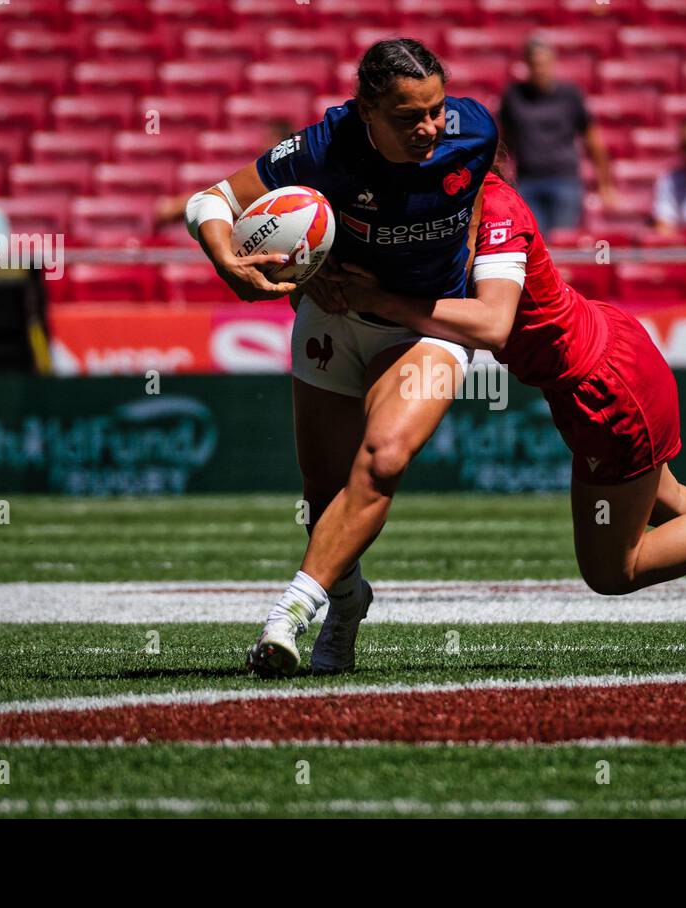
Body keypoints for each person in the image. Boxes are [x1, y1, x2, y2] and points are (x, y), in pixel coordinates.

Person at [338, 172, 686, 667]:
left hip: (604, 389)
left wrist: (380, 301)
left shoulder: (491, 209)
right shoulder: (469, 198)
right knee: (669, 497)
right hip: (608, 355)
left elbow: (491, 326)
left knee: (612, 571)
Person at [185, 39, 499, 677]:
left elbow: (479, 204)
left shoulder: (476, 132)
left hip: (427, 325)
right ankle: (348, 601)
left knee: (383, 458)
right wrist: (229, 262)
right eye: (408, 116)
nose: (430, 128)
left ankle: (288, 614)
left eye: (436, 110)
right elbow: (209, 202)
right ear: (365, 112)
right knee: (323, 496)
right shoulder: (326, 146)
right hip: (334, 320)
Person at [498, 37, 616, 234]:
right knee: (533, 242)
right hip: (527, 181)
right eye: (535, 64)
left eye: (544, 64)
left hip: (564, 181)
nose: (540, 69)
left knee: (563, 243)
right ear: (527, 65)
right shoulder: (513, 96)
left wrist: (605, 183)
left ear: (553, 62)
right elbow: (504, 141)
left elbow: (592, 139)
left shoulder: (570, 95)